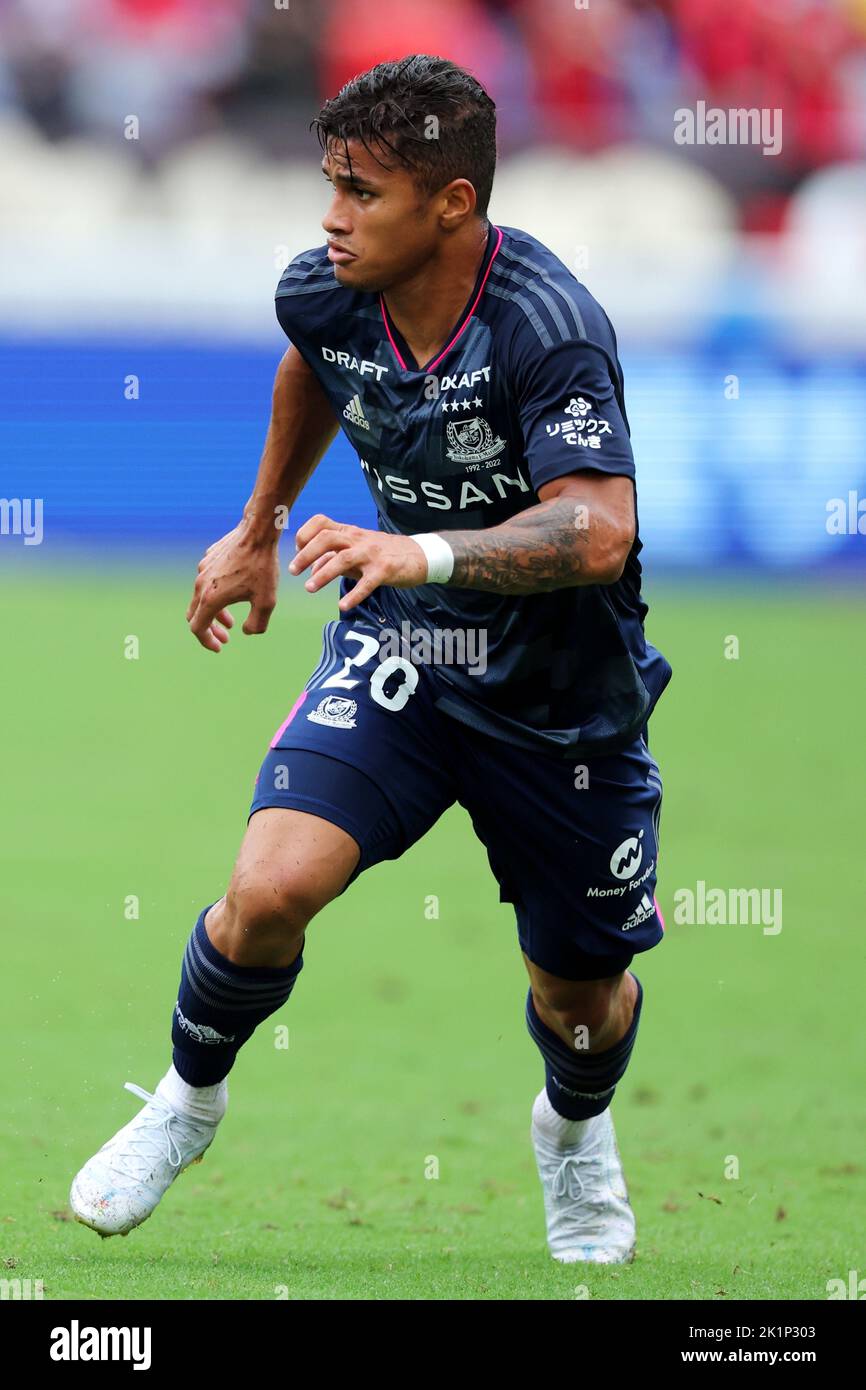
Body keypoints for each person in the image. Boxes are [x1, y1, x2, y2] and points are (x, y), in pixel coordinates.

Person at [70, 54, 671, 1265]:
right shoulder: (332, 289)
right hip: (407, 655)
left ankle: (570, 1129)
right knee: (264, 893)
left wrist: (423, 551)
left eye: (363, 192)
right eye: (329, 184)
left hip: (562, 707)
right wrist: (257, 529)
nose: (332, 218)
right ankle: (185, 1102)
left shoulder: (545, 326)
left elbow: (598, 531)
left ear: (450, 203)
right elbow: (314, 359)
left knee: (579, 1000)